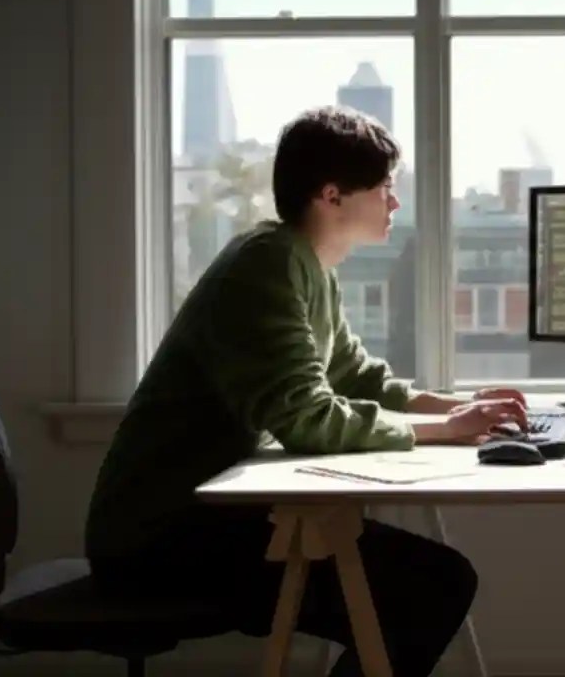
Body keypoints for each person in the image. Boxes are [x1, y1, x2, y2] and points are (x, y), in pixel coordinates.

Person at [85, 105, 527, 677]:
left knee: (422, 588)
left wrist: (454, 408)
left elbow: (354, 375)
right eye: (385, 187)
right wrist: (445, 431)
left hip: (211, 522)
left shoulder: (306, 264)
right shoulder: (265, 267)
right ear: (332, 195)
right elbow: (306, 417)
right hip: (161, 540)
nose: (395, 201)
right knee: (432, 588)